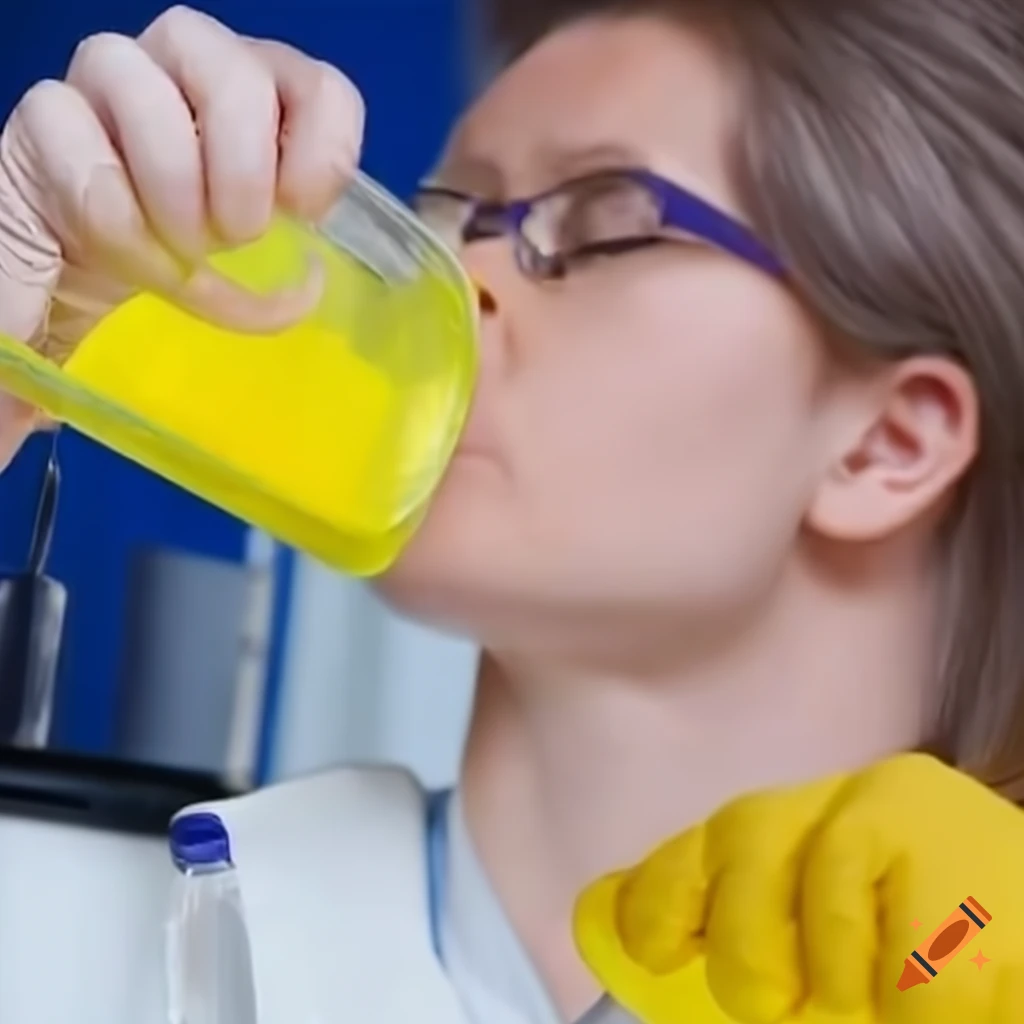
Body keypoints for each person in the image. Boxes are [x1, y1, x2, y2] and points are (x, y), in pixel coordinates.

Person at [0, 1, 1022, 1022]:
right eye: (444, 222)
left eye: (603, 224)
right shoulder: (50, 926)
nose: (462, 279)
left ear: (890, 443)